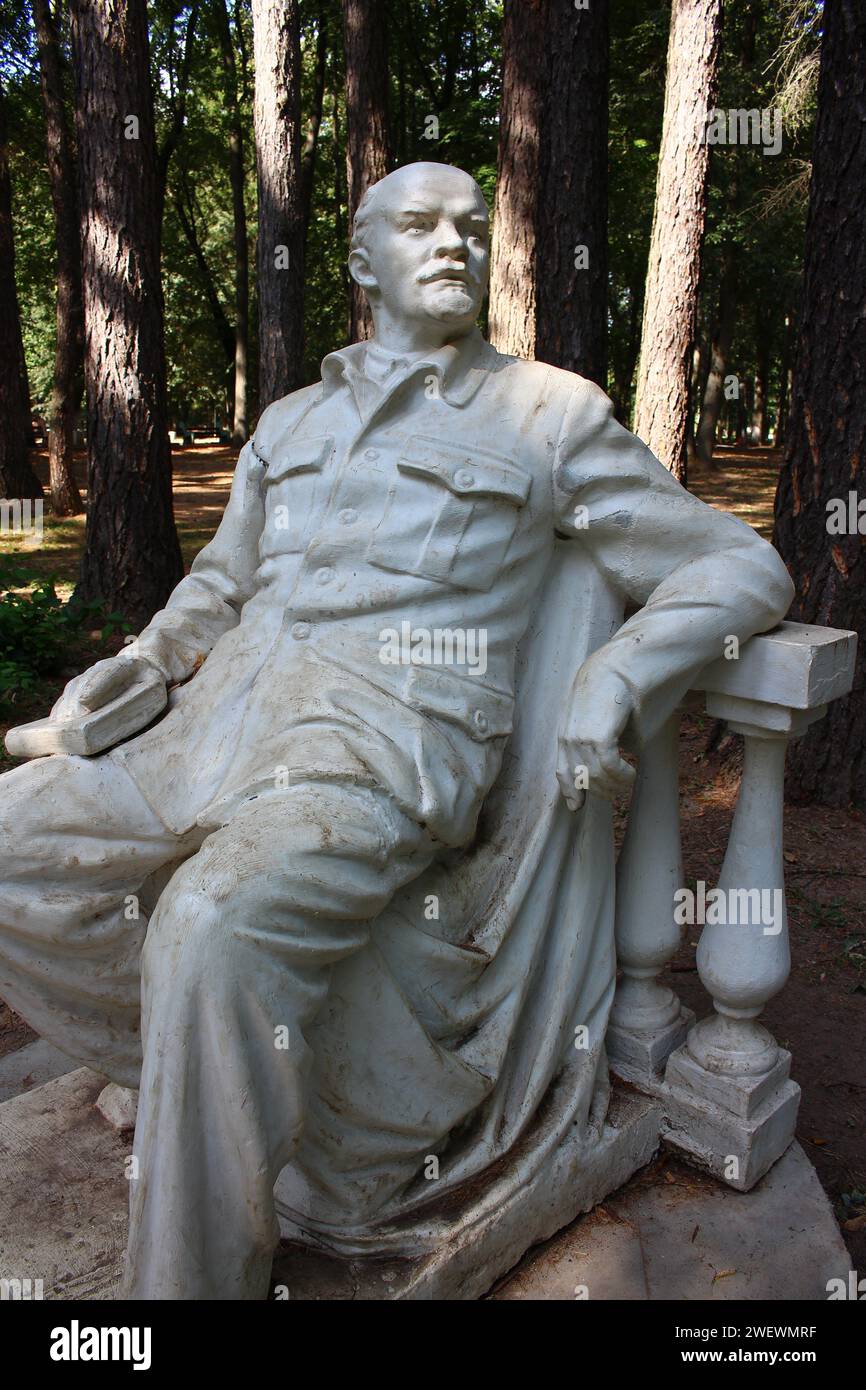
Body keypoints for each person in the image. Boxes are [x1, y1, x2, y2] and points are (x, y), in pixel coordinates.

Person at [0, 162, 793, 1299]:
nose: (451, 245)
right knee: (13, 850)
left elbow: (738, 562)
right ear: (362, 261)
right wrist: (132, 667)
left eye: (471, 227)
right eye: (417, 226)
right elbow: (218, 589)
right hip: (209, 732)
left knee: (211, 926)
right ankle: (211, 1090)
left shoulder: (548, 417)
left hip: (377, 749)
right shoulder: (292, 421)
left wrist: (617, 669)